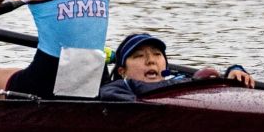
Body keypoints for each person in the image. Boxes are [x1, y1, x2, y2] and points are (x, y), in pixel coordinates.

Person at [98, 33, 255, 101]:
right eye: (139, 56)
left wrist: (234, 72)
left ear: (165, 65)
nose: (150, 61)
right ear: (122, 71)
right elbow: (108, 96)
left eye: (157, 54)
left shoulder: (179, 79)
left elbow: (215, 84)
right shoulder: (119, 87)